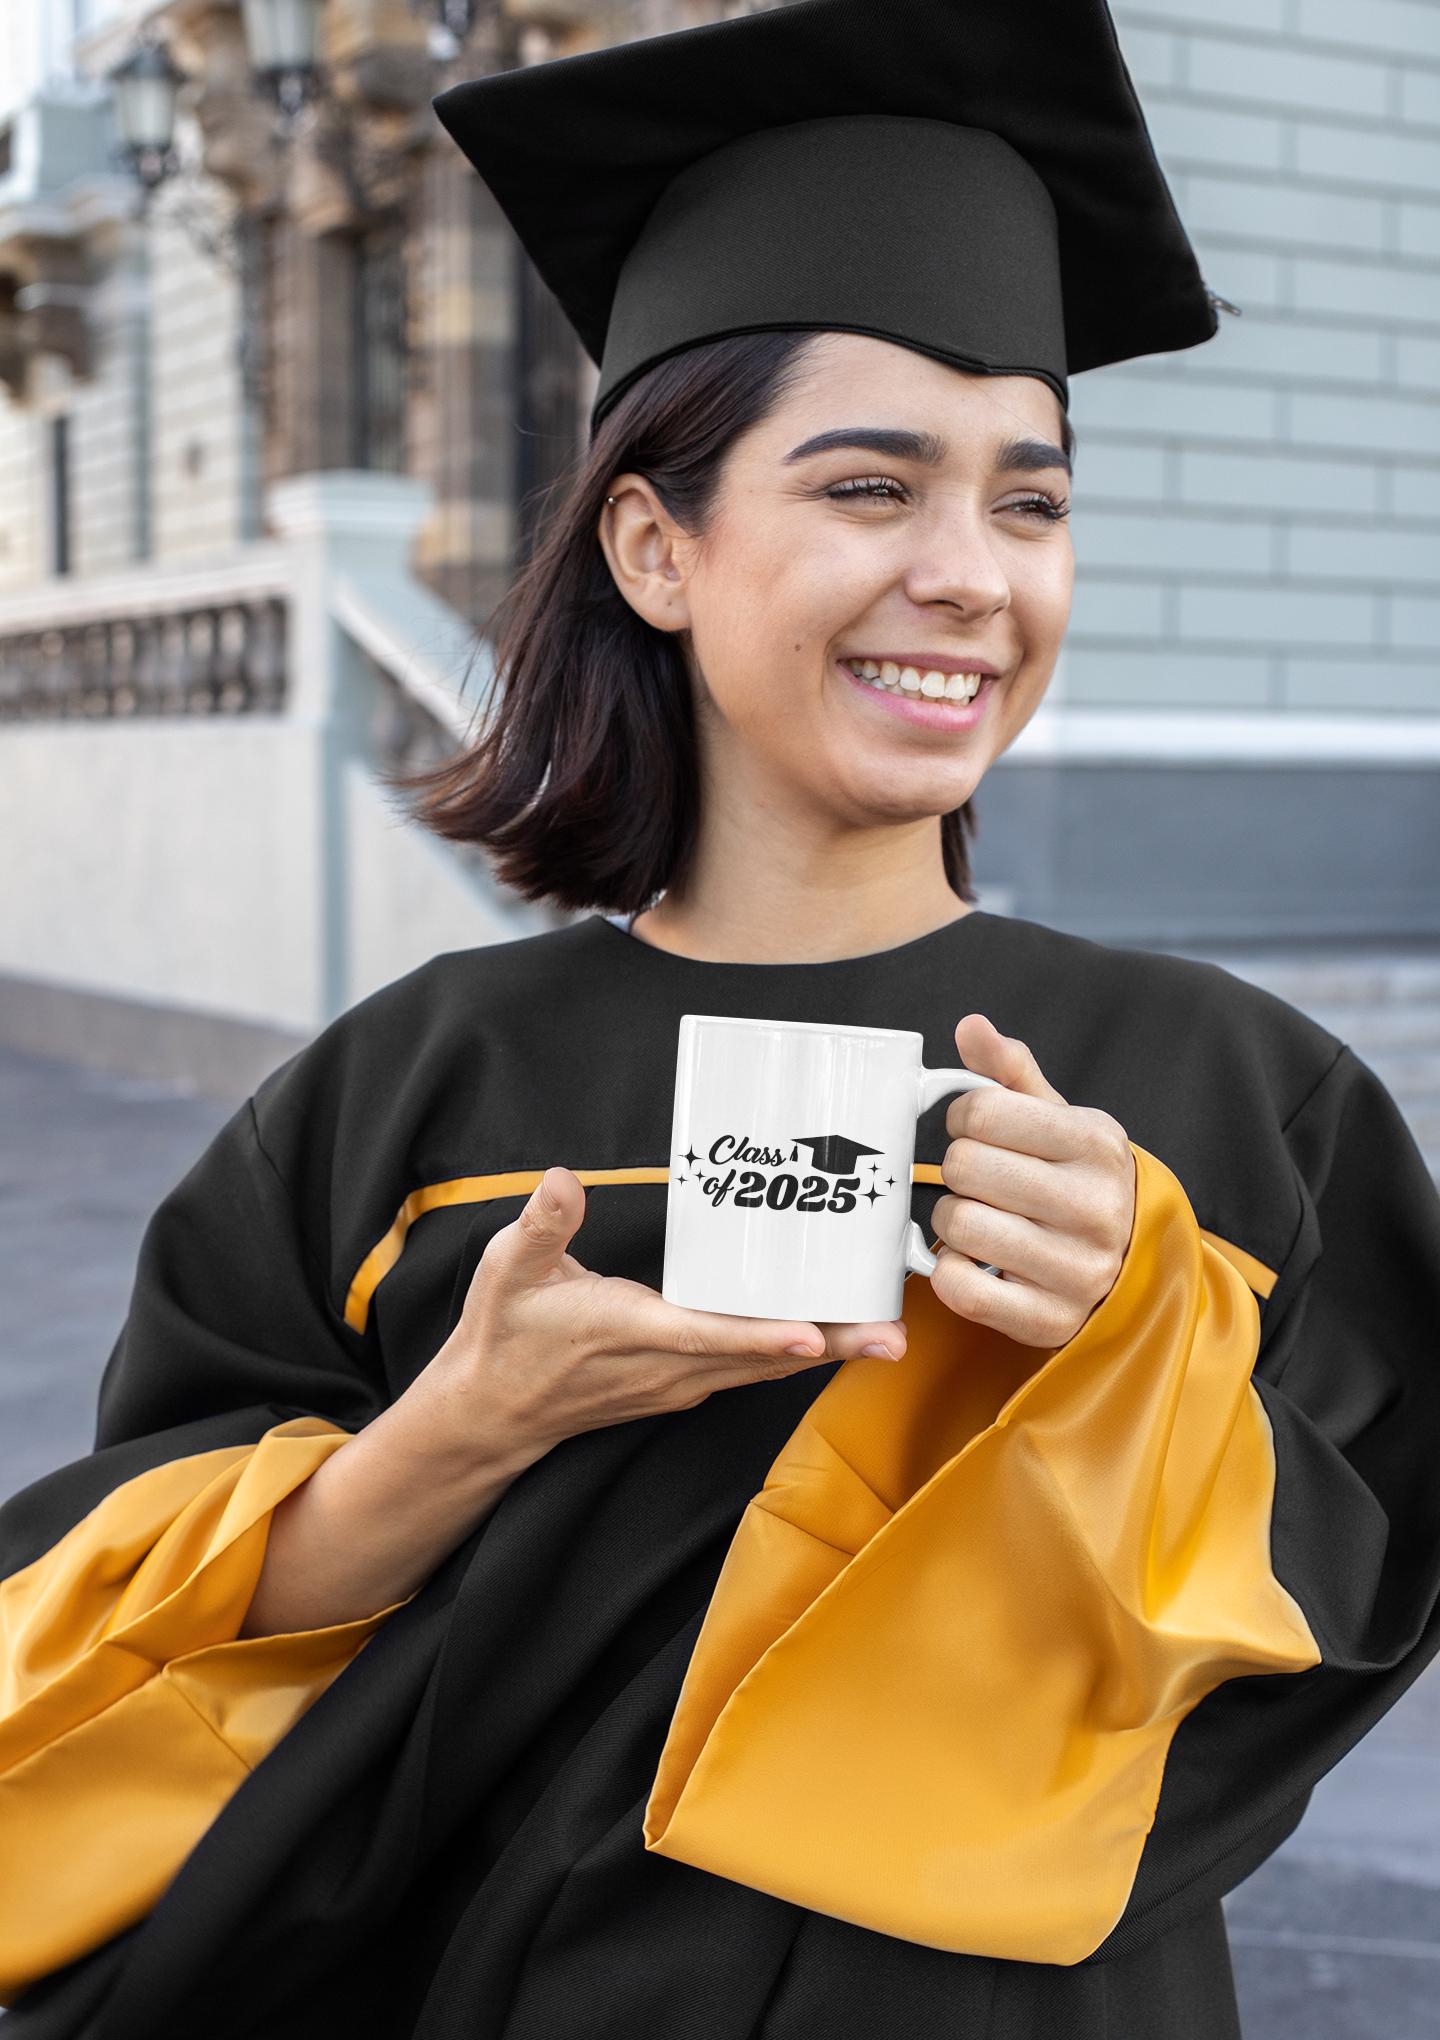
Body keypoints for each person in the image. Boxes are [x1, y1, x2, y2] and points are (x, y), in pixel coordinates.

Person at [3, 1, 1438, 2034]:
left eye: (1029, 501)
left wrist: (1142, 1344)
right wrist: (450, 1437)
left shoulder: (1221, 1097)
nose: (971, 574)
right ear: (658, 546)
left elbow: (1336, 1614)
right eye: (871, 487)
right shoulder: (413, 1090)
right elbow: (97, 1665)